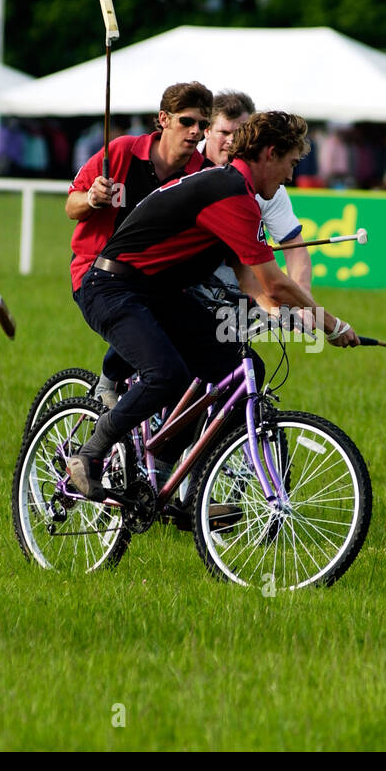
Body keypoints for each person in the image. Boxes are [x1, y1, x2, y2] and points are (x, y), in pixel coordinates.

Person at [66, 111, 360, 501]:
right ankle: (89, 454)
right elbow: (275, 282)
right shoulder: (230, 191)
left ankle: (173, 476)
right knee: (166, 374)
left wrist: (281, 314)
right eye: (290, 164)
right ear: (270, 154)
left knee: (243, 369)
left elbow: (253, 282)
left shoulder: (238, 193)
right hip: (112, 287)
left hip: (158, 296)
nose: (290, 176)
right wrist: (332, 325)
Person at [66, 81, 213, 404]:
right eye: (186, 122)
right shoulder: (120, 151)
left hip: (156, 283)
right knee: (165, 371)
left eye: (203, 125)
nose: (195, 132)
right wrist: (91, 198)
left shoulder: (203, 174)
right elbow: (71, 206)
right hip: (98, 275)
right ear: (163, 119)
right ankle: (105, 408)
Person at [201, 90, 313, 294]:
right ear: (206, 131)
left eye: (240, 132)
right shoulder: (185, 168)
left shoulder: (268, 184)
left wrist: (303, 299)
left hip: (236, 279)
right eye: (224, 133)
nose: (233, 141)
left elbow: (294, 248)